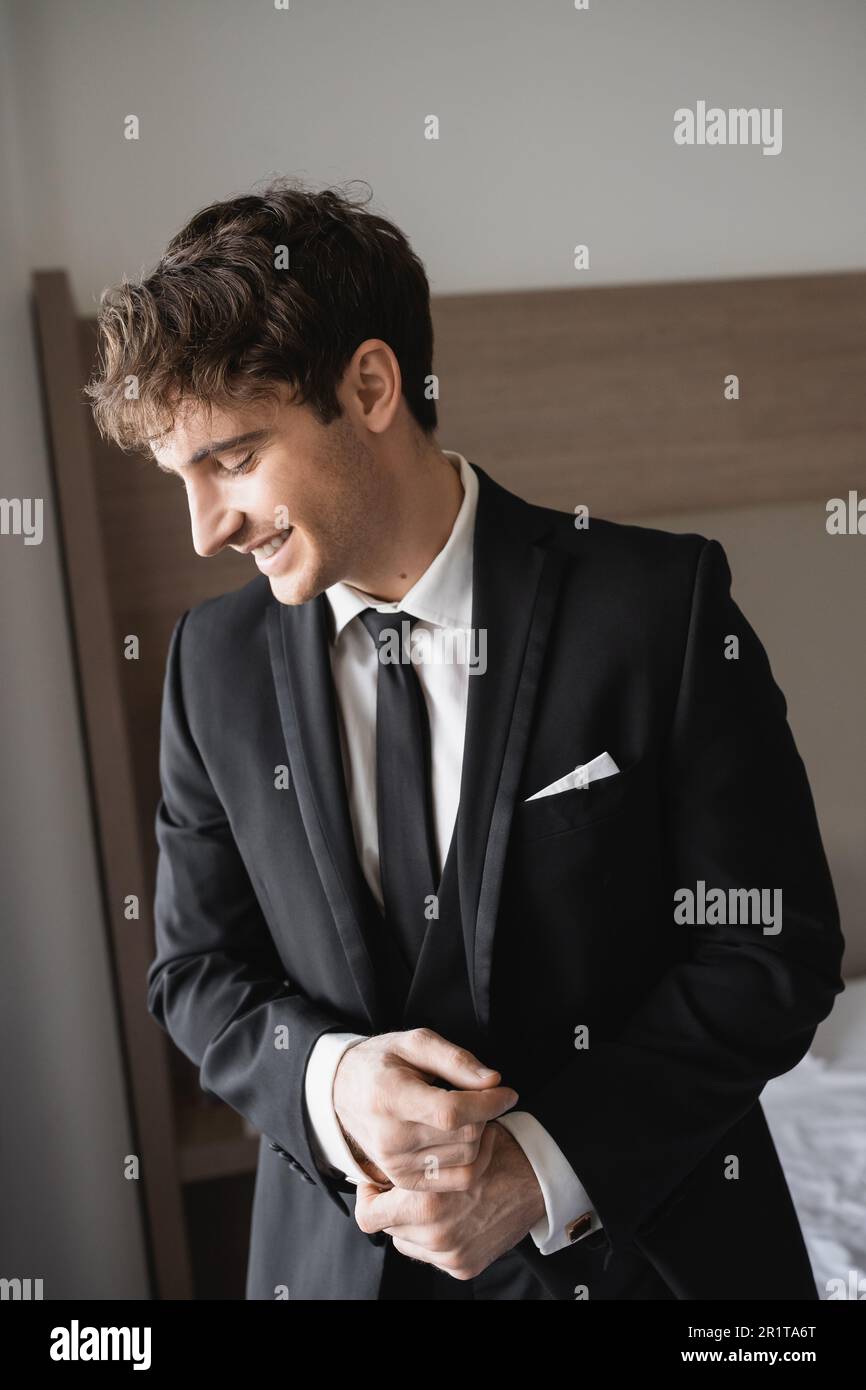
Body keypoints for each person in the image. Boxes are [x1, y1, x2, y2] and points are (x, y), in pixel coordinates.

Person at [86, 179, 845, 1300]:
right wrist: (333, 1083)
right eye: (180, 478)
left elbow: (768, 948)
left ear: (372, 384)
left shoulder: (655, 609)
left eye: (234, 459)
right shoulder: (210, 664)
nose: (206, 530)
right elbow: (196, 971)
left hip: (647, 1263)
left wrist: (542, 1169)